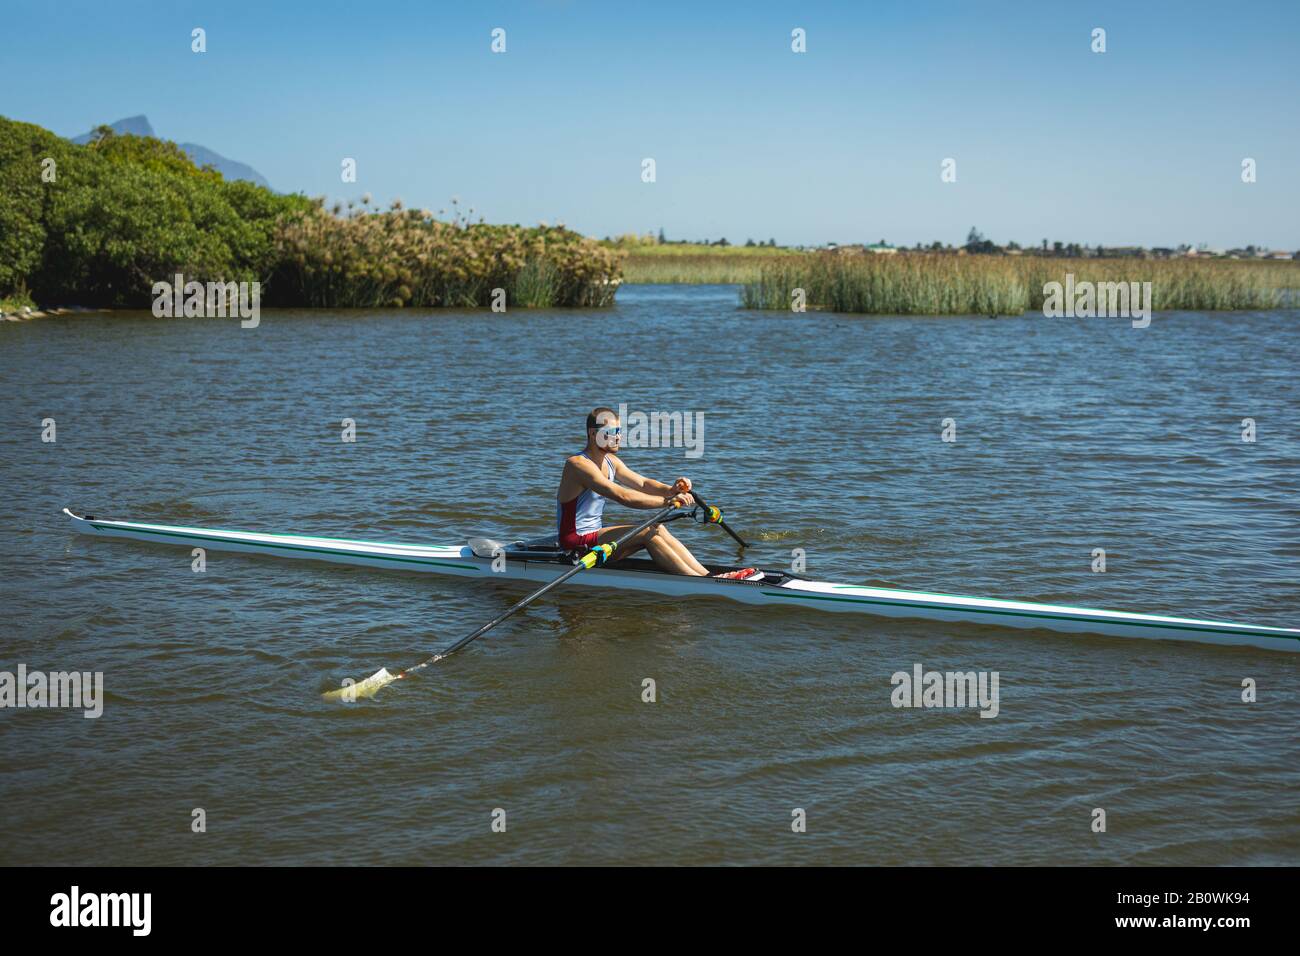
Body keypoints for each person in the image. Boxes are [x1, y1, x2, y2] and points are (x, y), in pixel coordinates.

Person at [555, 407, 758, 579]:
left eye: (620, 430)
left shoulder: (611, 461)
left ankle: (708, 577)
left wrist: (672, 489)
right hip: (574, 543)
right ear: (592, 434)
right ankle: (699, 582)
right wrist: (667, 501)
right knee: (647, 532)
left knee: (658, 529)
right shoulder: (578, 465)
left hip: (593, 538)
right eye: (612, 431)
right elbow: (621, 495)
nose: (618, 436)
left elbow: (643, 484)